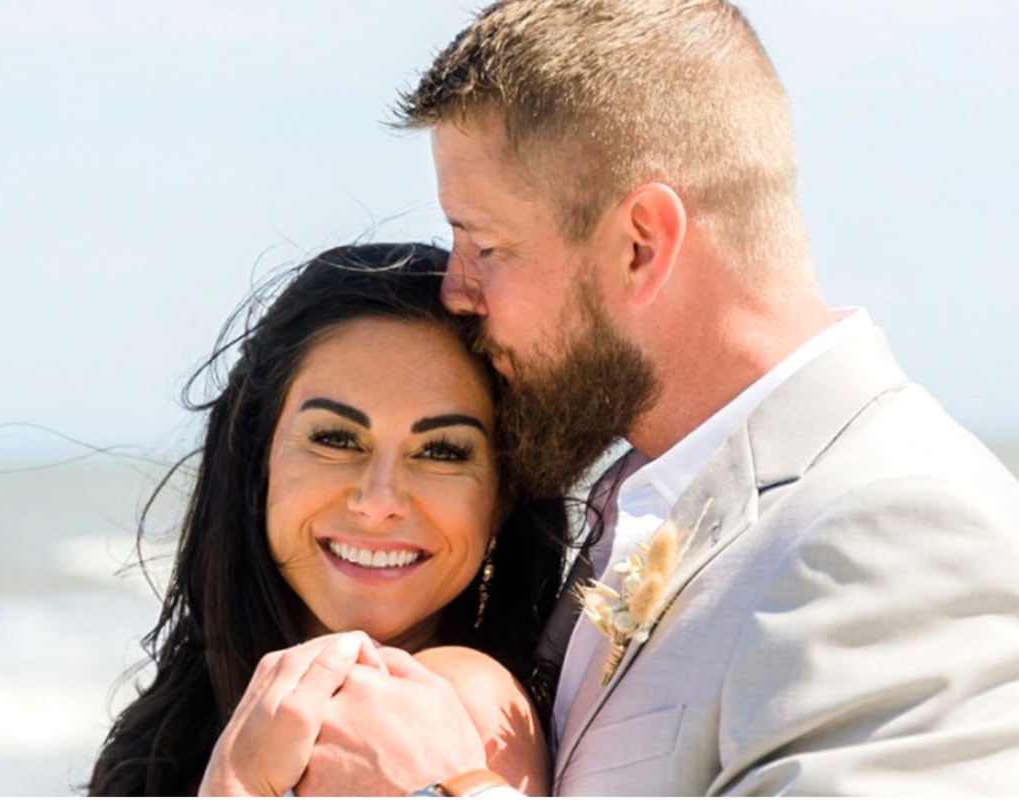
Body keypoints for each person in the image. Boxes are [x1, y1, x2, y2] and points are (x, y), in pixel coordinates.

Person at [214, 0, 1019, 795]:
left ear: (640, 244)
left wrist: (439, 787)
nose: (456, 291)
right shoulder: (653, 504)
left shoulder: (896, 531)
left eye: (485, 245)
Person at [86, 243, 567, 796]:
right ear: (258, 457)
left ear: (503, 494)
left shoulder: (456, 702)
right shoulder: (184, 725)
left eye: (442, 451)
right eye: (336, 439)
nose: (378, 500)